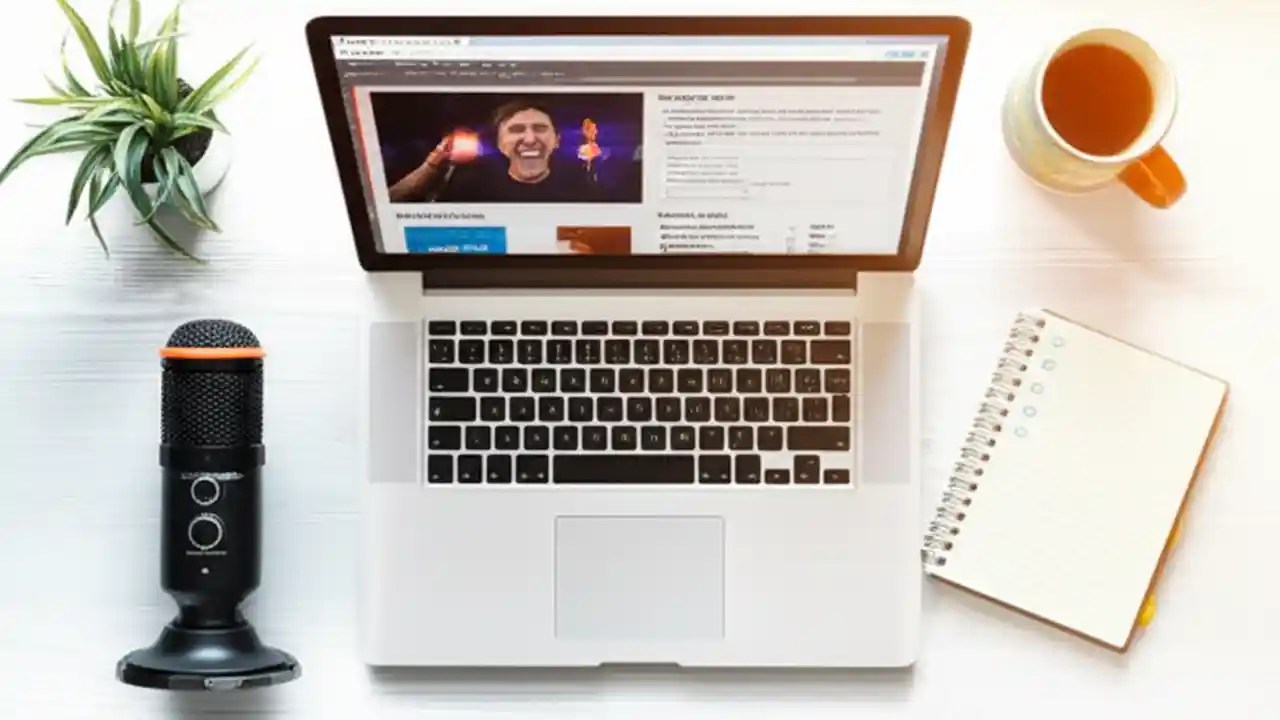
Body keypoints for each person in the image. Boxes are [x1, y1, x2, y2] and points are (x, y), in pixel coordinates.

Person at [388, 100, 601, 203]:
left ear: (557, 140)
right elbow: (387, 208)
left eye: (540, 128)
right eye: (516, 130)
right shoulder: (468, 190)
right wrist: (432, 165)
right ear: (499, 143)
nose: (529, 139)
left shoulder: (583, 190)